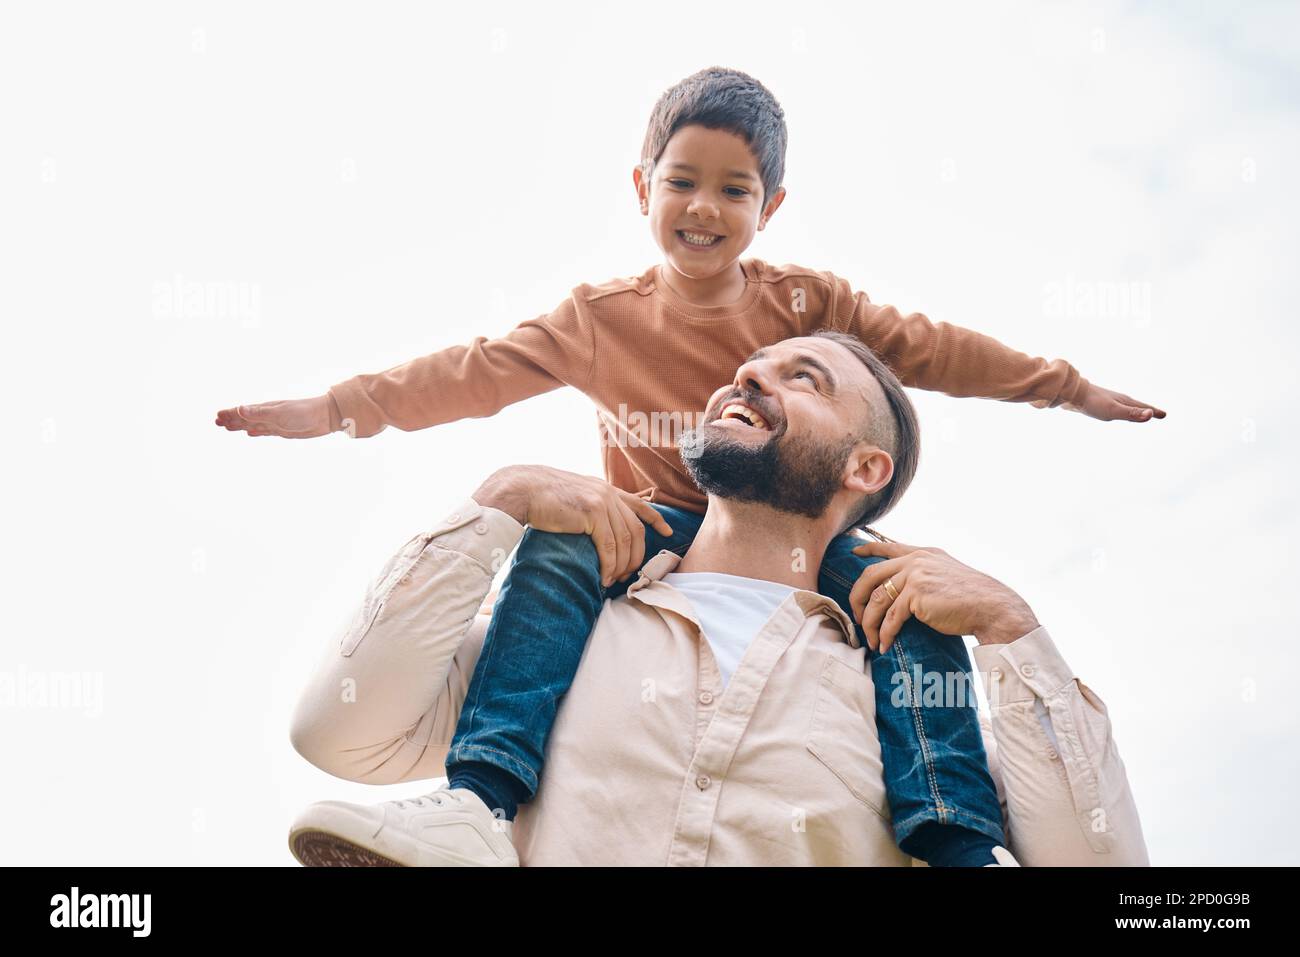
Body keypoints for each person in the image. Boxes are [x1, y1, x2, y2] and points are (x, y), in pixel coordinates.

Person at [219, 67, 1164, 865]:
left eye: (734, 189)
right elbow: (470, 372)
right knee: (563, 537)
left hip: (812, 552)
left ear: (771, 206)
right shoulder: (597, 319)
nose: (704, 208)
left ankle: (959, 846)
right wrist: (338, 407)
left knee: (907, 605)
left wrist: (1066, 387)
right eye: (681, 182)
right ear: (641, 188)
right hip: (640, 538)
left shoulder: (809, 302)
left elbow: (937, 350)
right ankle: (481, 801)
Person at [286, 332, 1149, 866]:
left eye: (804, 377)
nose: (746, 379)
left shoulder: (917, 707)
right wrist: (497, 502)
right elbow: (336, 732)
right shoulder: (554, 640)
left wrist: (1011, 630)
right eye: (746, 368)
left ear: (865, 468)